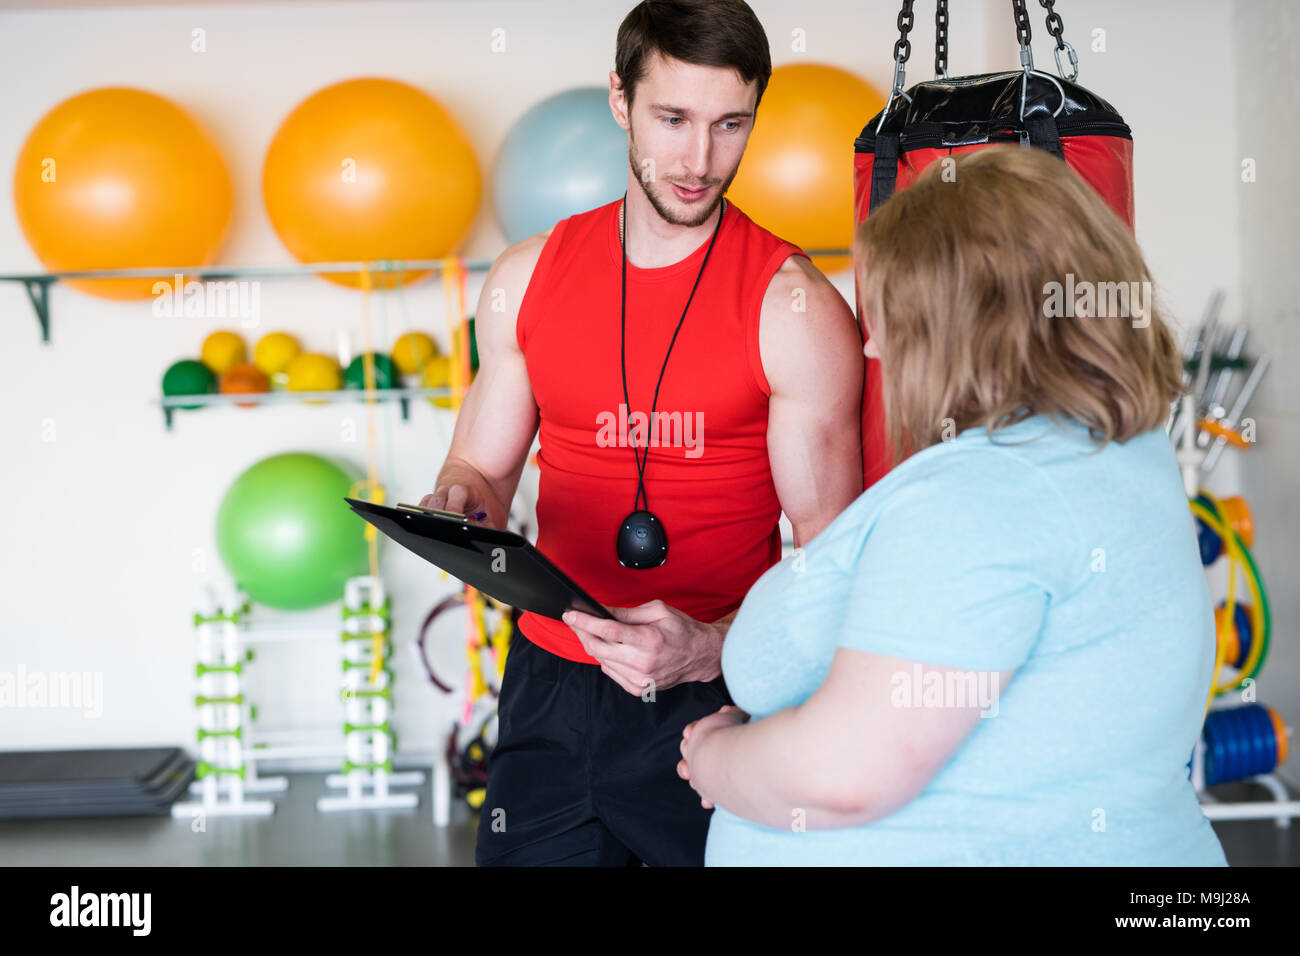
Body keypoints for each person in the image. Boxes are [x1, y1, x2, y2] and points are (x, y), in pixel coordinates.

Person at [678, 145, 1229, 866]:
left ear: (964, 330)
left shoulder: (989, 495)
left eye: (889, 317)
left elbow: (844, 776)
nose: (871, 349)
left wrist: (718, 755)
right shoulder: (1120, 451)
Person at [423, 0, 864, 866]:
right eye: (673, 119)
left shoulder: (794, 308)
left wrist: (715, 650)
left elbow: (833, 565)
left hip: (718, 695)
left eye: (730, 124)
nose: (700, 161)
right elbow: (479, 467)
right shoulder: (527, 278)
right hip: (550, 684)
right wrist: (461, 505)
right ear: (620, 101)